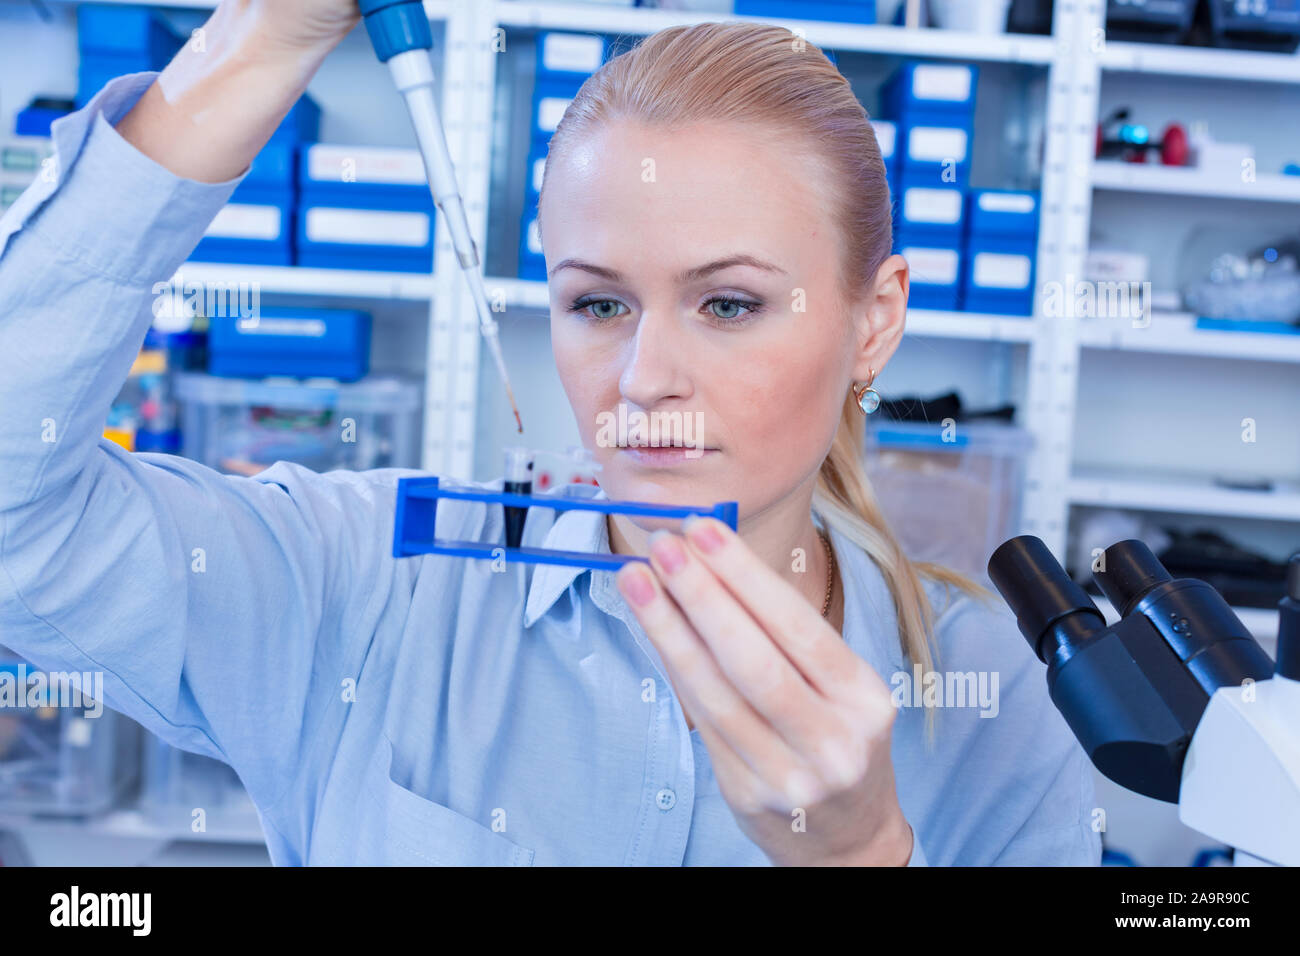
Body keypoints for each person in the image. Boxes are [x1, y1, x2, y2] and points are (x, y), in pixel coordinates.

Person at [0, 2, 1100, 866]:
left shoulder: (999, 695)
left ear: (874, 321)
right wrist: (251, 45)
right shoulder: (372, 581)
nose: (643, 377)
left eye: (727, 304)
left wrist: (862, 858)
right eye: (597, 303)